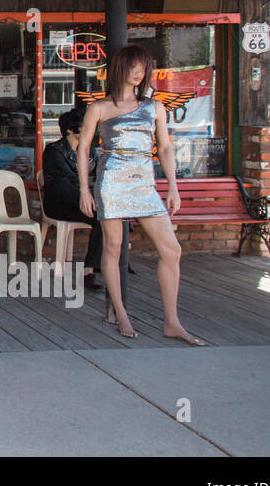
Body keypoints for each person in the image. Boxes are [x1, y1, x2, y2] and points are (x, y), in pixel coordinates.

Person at [77, 45, 204, 344]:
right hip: (112, 182)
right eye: (135, 66)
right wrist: (84, 188)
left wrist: (173, 185)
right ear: (121, 68)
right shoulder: (99, 107)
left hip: (145, 184)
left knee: (172, 250)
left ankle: (172, 321)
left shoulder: (154, 106)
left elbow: (166, 147)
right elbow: (83, 148)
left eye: (144, 67)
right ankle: (120, 313)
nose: (140, 72)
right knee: (113, 248)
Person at [42, 105, 115, 291]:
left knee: (104, 218)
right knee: (101, 213)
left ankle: (89, 270)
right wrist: (89, 193)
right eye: (85, 125)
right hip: (60, 204)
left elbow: (100, 176)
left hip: (84, 201)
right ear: (70, 129)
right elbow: (68, 182)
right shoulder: (54, 151)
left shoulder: (90, 152)